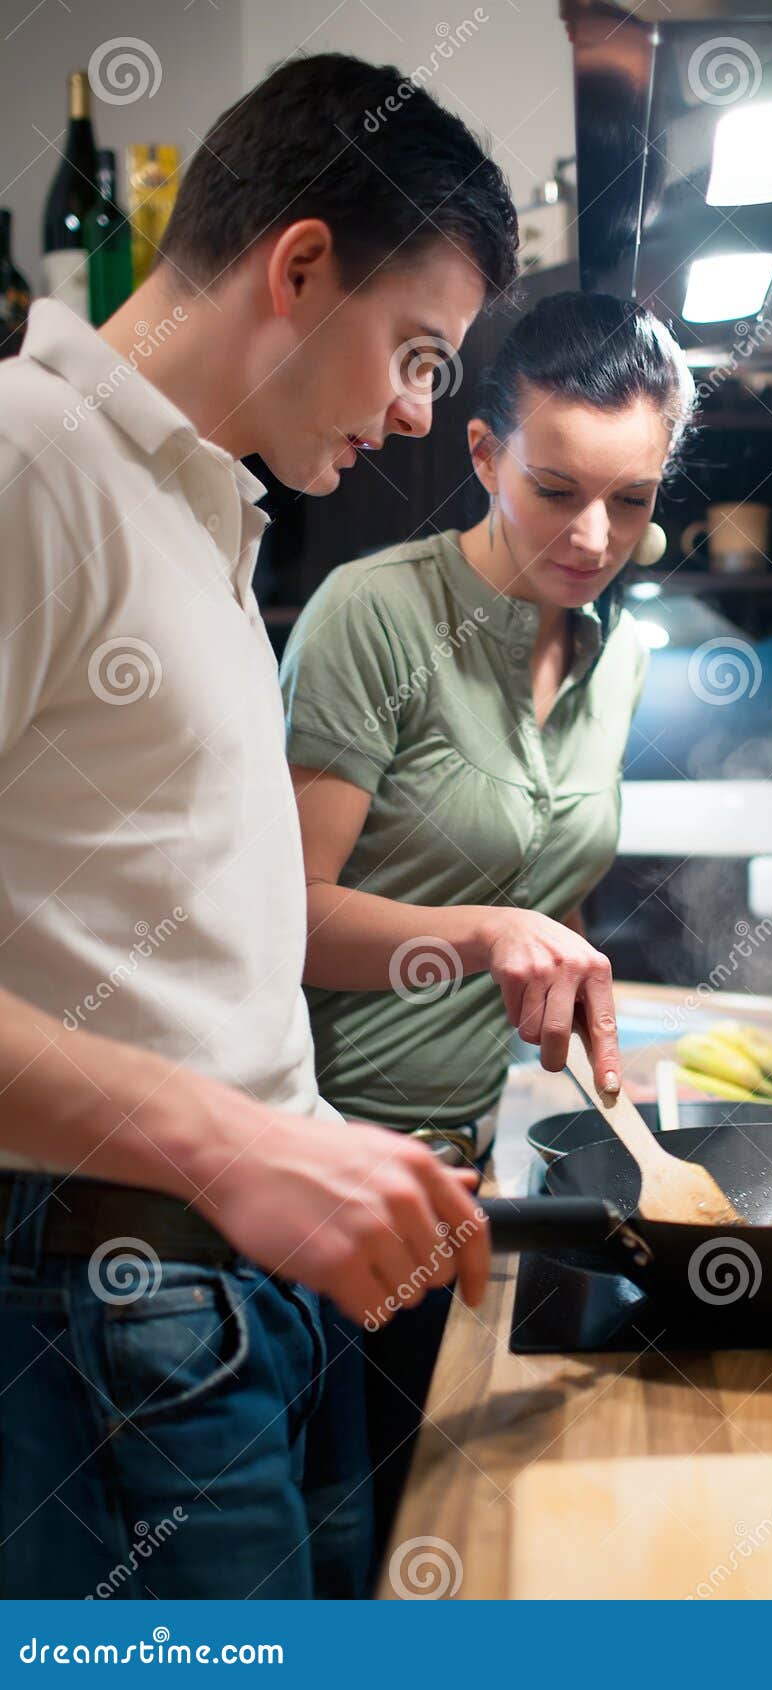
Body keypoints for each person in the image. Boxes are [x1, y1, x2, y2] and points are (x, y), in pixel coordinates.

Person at [0, 53, 520, 1600]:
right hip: (109, 1298)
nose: (419, 415)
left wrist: (304, 1137)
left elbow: (175, 938)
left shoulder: (197, 507)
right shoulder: (29, 461)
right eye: (416, 353)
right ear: (299, 266)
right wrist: (229, 1145)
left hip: (241, 1295)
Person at [279, 291, 695, 1517]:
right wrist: (488, 933)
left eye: (633, 496)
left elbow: (537, 888)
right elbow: (284, 919)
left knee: (444, 1531)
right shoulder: (374, 616)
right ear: (480, 452)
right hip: (323, 1174)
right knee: (339, 1550)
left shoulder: (620, 647)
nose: (594, 534)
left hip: (467, 1177)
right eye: (555, 487)